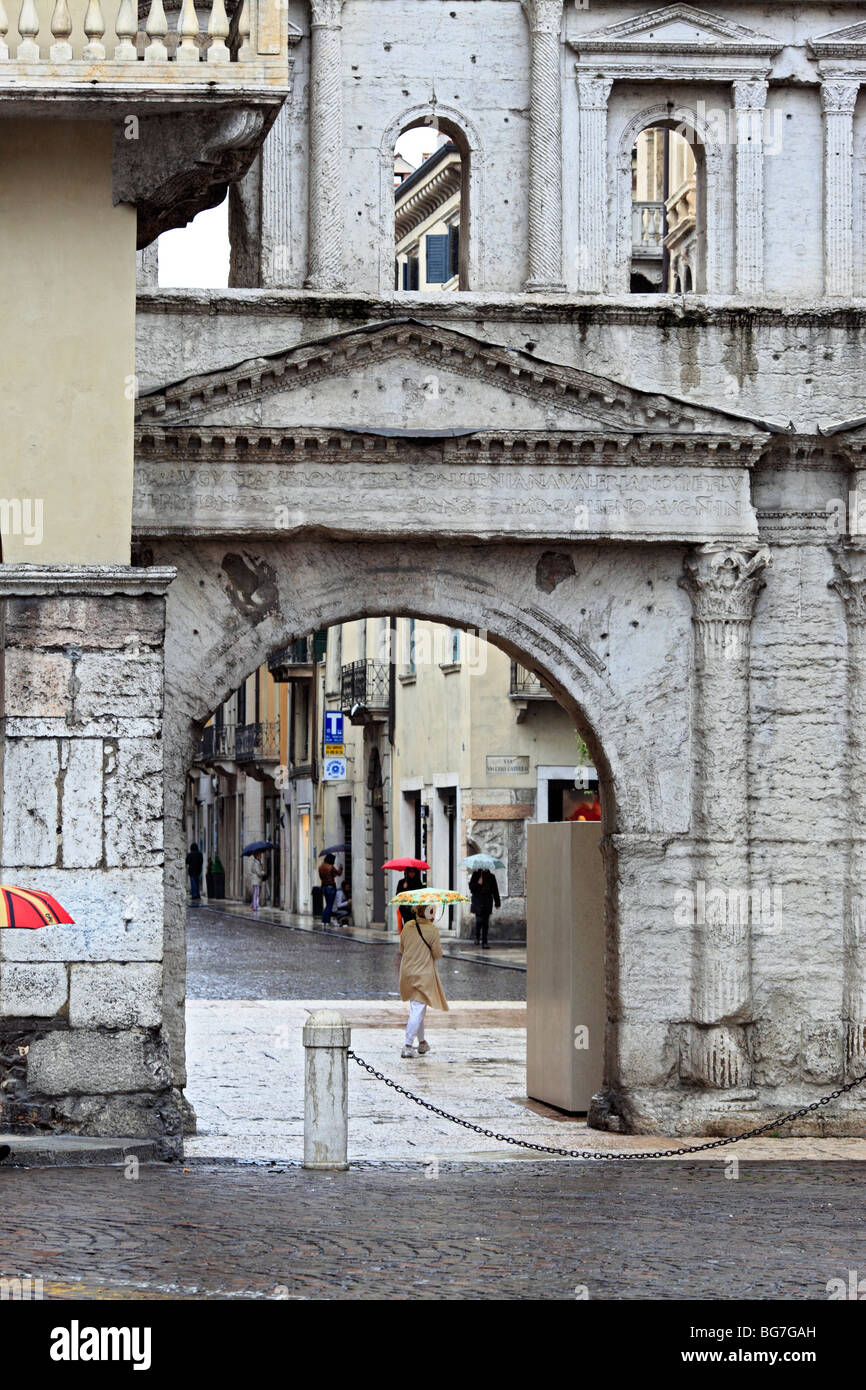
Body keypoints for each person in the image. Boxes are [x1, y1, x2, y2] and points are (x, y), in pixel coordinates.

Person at [398, 903, 448, 1058]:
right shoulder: (432, 930)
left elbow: (402, 948)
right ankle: (407, 1045)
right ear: (428, 912)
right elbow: (438, 953)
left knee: (417, 1007)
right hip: (423, 974)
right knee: (418, 1008)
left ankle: (422, 1043)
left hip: (407, 972)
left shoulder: (407, 926)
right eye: (432, 911)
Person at [469, 868, 500, 948]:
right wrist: (478, 884)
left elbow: (495, 890)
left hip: (487, 902)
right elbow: (471, 888)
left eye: (486, 867)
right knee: (479, 921)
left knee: (485, 923)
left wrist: (497, 903)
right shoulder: (475, 875)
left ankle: (485, 942)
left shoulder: (491, 877)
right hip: (477, 902)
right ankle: (477, 937)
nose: (485, 868)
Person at [395, 864, 425, 930]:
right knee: (407, 924)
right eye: (410, 872)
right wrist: (404, 888)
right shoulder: (401, 882)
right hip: (405, 907)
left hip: (415, 907)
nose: (412, 874)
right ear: (407, 872)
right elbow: (398, 894)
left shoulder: (418, 882)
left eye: (413, 872)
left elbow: (421, 894)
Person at [318, 852, 343, 925]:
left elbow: (322, 877)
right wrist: (340, 868)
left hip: (324, 887)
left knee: (327, 904)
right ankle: (325, 920)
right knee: (329, 905)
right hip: (331, 887)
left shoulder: (320, 867)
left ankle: (326, 920)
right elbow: (338, 873)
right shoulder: (331, 867)